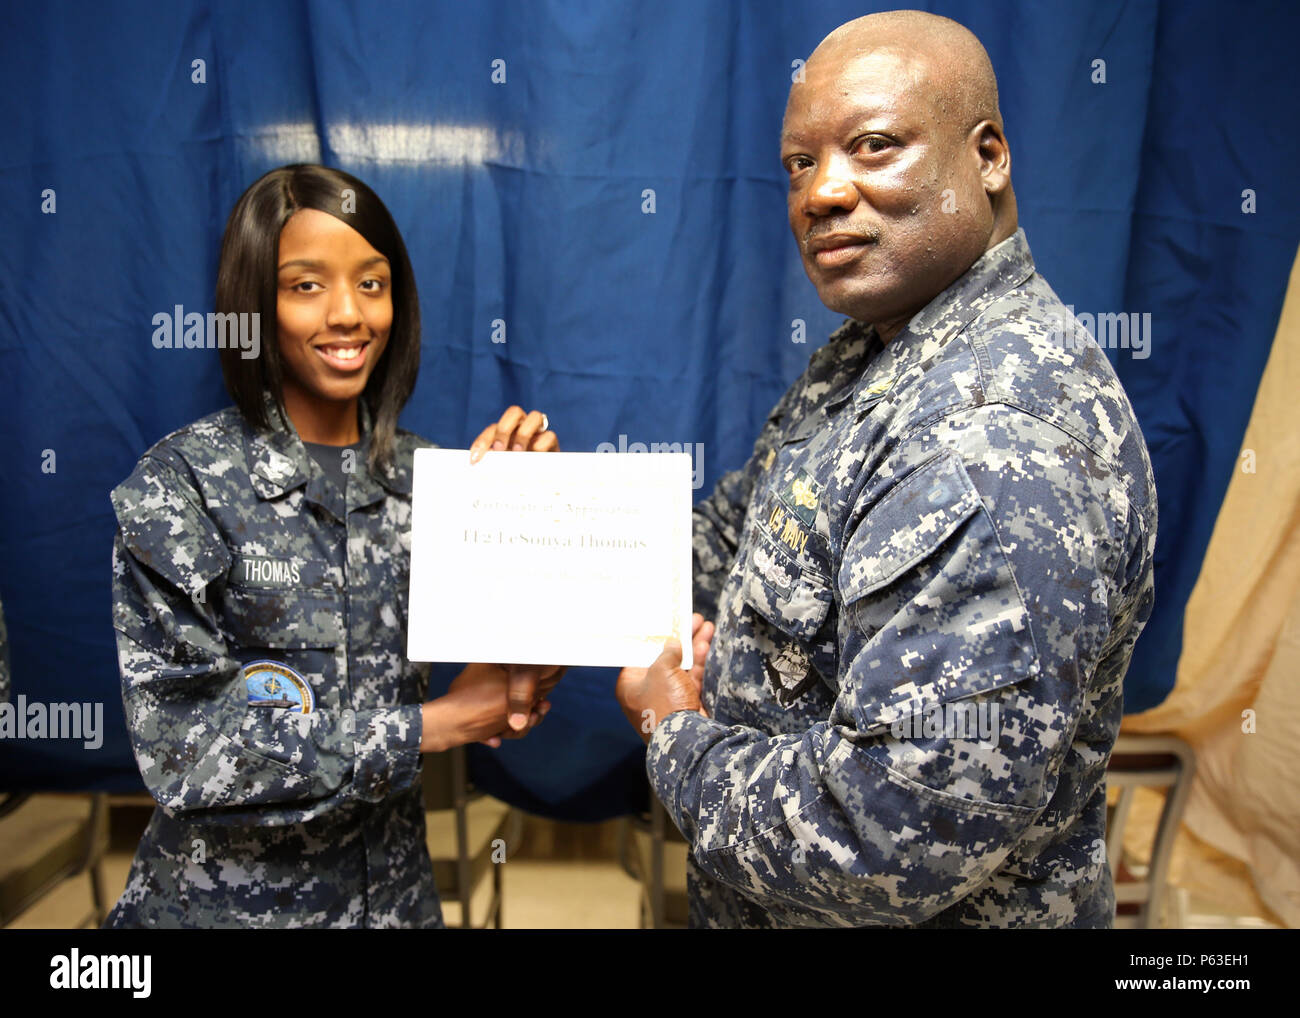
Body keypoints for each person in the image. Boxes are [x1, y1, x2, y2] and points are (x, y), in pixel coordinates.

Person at [617, 10, 1157, 927]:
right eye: (800, 163)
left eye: (874, 146)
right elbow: (728, 540)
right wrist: (522, 519)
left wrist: (671, 730)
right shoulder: (872, 353)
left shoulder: (992, 437)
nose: (823, 192)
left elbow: (883, 836)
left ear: (988, 157)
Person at [106, 164, 561, 928]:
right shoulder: (180, 487)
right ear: (253, 304)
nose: (349, 315)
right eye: (305, 286)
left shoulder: (434, 481)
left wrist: (528, 515)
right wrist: (438, 724)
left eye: (373, 284)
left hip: (396, 902)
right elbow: (186, 748)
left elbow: (512, 676)